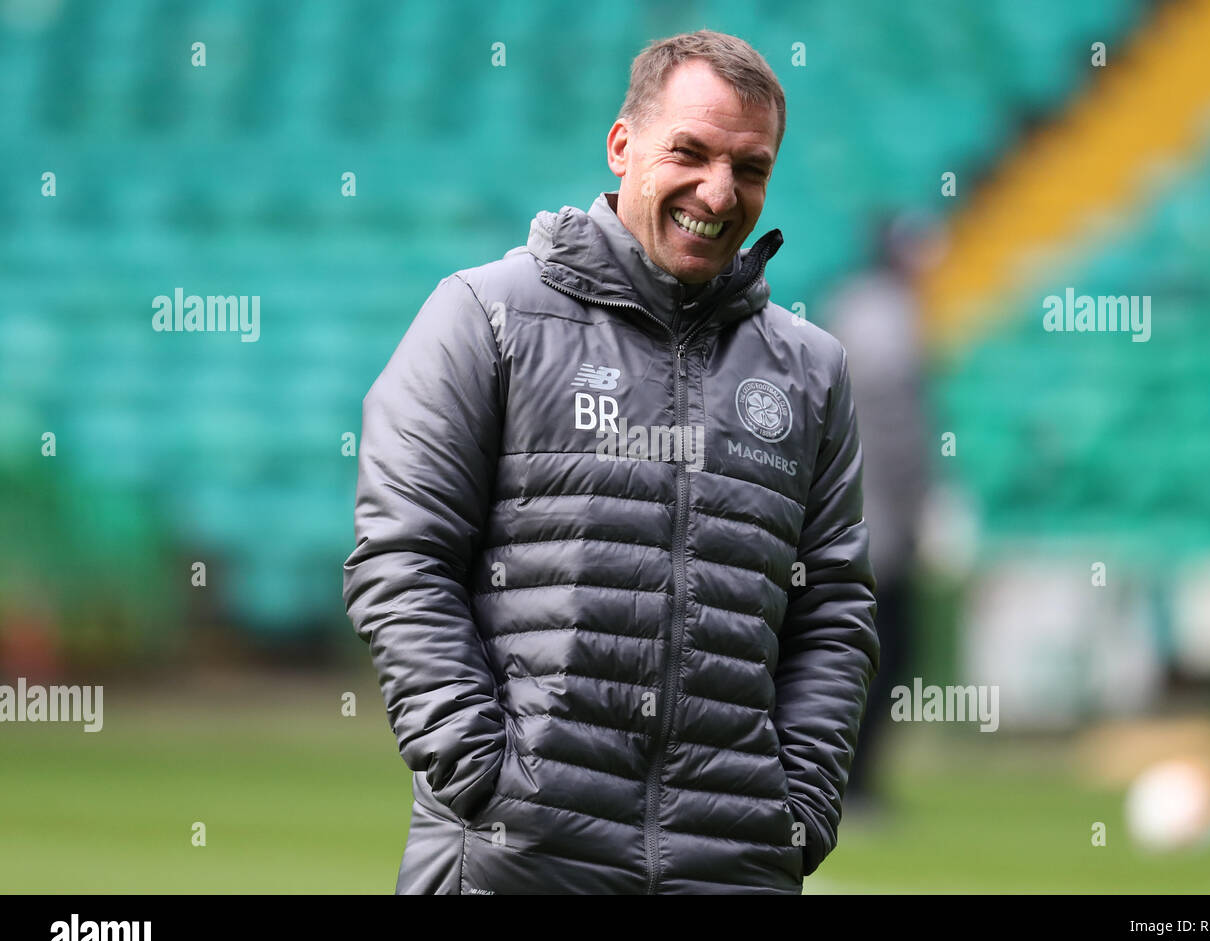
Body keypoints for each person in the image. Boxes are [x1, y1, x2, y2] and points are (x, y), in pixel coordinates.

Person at [343, 29, 880, 895]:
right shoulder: (484, 318)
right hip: (513, 859)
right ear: (622, 146)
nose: (718, 191)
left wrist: (799, 807)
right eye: (690, 153)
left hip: (731, 865)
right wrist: (485, 778)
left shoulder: (812, 371)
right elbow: (402, 560)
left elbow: (834, 609)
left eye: (749, 168)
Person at [826, 213, 938, 816]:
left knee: (857, 650)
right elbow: (897, 432)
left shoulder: (855, 307)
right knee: (879, 653)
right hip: (874, 519)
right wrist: (925, 504)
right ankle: (850, 780)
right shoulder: (888, 318)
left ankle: (844, 778)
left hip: (846, 511)